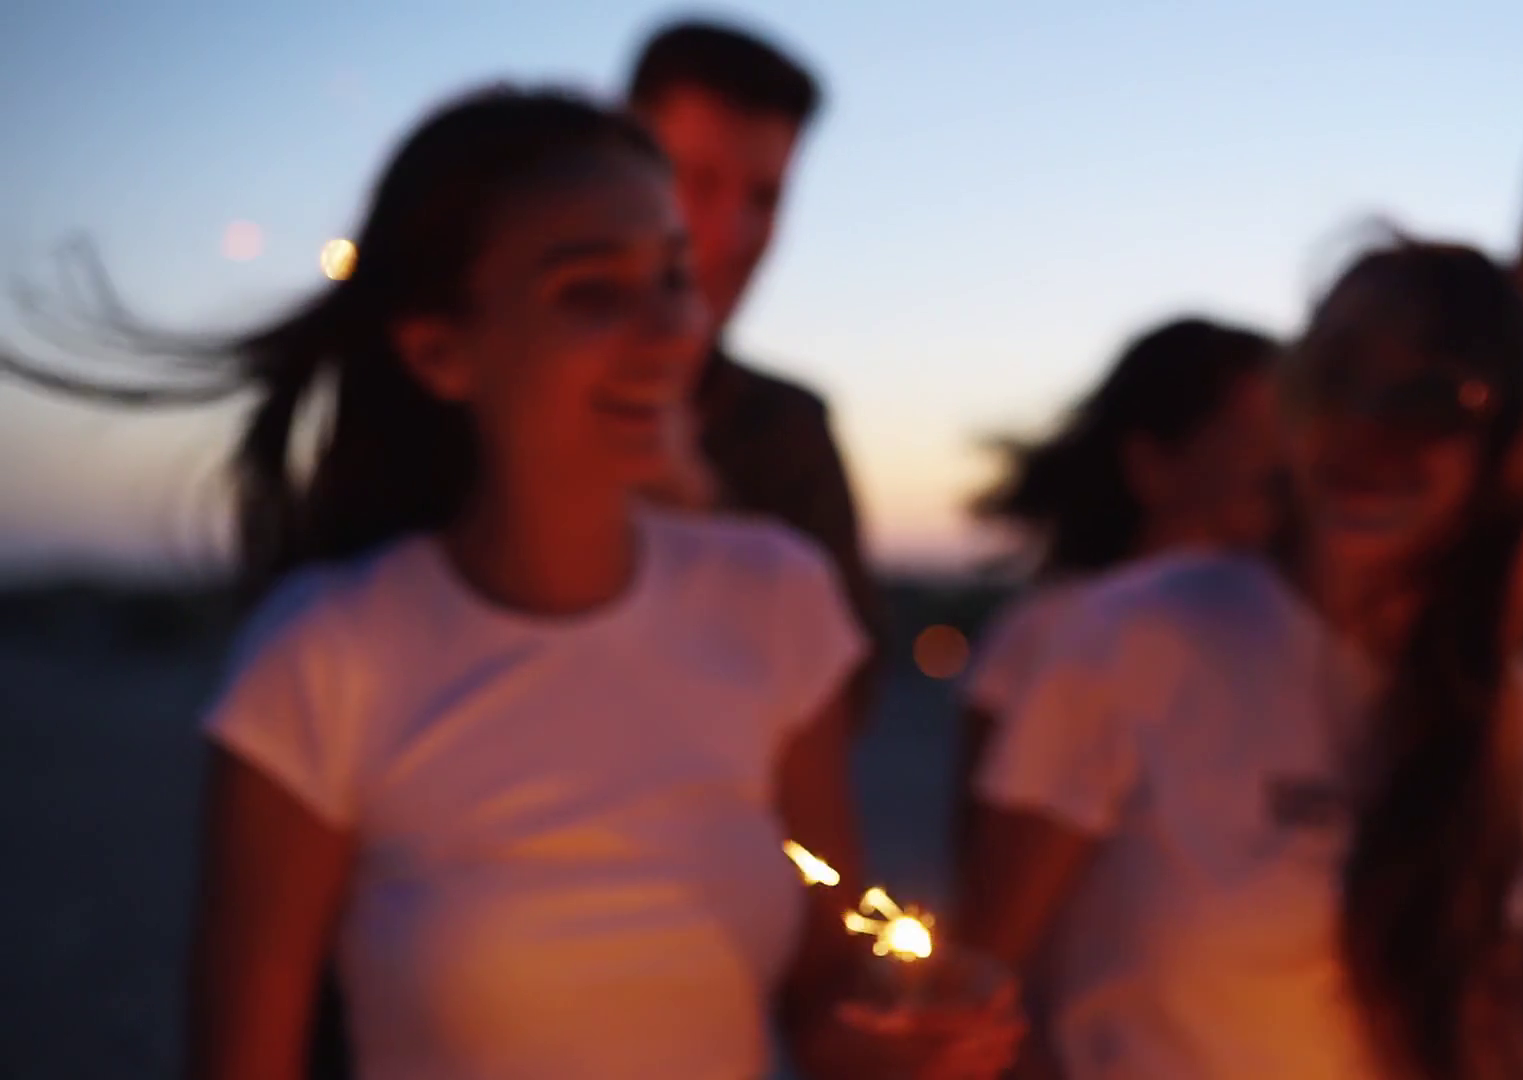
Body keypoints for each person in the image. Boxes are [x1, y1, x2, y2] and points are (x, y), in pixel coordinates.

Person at [4, 88, 1016, 1080]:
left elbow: (819, 991)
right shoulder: (328, 655)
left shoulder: (776, 598)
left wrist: (909, 1046)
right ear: (441, 352)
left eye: (672, 275)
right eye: (591, 292)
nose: (670, 331)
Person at [956, 241, 1523, 1079]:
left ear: (1505, 447)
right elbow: (982, 997)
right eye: (1336, 379)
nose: (1366, 435)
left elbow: (1487, 1027)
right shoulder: (1130, 638)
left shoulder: (1513, 717)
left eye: (1426, 400)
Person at [956, 316, 1287, 852]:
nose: (1286, 469)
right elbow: (990, 876)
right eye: (1256, 442)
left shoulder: (1283, 635)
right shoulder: (1055, 630)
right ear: (1151, 463)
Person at [624, 20, 887, 680]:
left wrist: (702, 507)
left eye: (764, 198)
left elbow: (844, 695)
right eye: (698, 183)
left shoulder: (789, 433)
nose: (730, 235)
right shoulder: (480, 394)